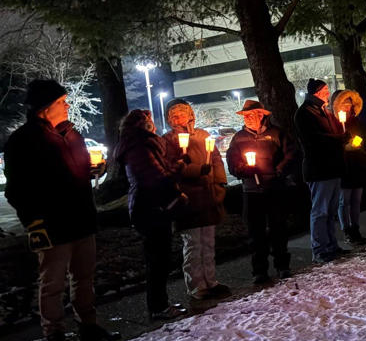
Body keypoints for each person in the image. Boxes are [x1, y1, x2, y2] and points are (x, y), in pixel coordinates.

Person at [4, 80, 120, 341]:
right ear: (45, 108)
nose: (68, 105)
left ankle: (88, 327)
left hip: (81, 219)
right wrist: (34, 222)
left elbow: (79, 172)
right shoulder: (22, 141)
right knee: (52, 283)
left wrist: (96, 170)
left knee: (83, 278)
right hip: (51, 225)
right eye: (63, 101)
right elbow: (16, 190)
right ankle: (54, 338)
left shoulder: (72, 135)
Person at [115, 109, 188, 321]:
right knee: (157, 259)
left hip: (153, 207)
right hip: (149, 209)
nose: (153, 125)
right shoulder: (139, 147)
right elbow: (158, 178)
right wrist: (181, 164)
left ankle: (161, 302)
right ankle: (157, 307)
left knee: (160, 258)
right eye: (148, 121)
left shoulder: (142, 144)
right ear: (141, 125)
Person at [162, 99, 229, 301]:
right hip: (189, 200)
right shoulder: (167, 141)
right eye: (173, 116)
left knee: (208, 242)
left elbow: (215, 159)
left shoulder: (203, 135)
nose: (178, 119)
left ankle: (211, 281)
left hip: (208, 197)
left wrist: (219, 184)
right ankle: (196, 286)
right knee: (193, 244)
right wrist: (197, 171)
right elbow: (172, 167)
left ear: (190, 115)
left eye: (181, 114)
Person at [228, 100, 297, 281]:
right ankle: (259, 271)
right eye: (246, 116)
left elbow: (292, 154)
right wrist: (244, 170)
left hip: (274, 189)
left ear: (262, 115)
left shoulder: (276, 134)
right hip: (251, 192)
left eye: (253, 115)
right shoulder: (238, 138)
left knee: (278, 229)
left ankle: (282, 266)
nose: (249, 119)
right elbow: (233, 163)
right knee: (255, 233)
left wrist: (279, 170)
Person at [294, 78, 346, 263]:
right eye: (324, 90)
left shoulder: (324, 111)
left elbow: (333, 134)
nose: (327, 93)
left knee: (330, 210)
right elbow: (313, 139)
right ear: (316, 92)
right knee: (321, 210)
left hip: (332, 167)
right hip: (319, 169)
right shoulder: (305, 113)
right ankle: (319, 249)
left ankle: (331, 245)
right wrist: (338, 138)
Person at [331, 89, 366, 245]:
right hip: (344, 166)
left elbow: (364, 139)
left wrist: (359, 145)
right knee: (344, 201)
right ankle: (346, 230)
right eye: (344, 103)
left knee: (356, 200)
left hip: (357, 165)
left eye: (349, 103)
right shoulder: (334, 122)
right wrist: (344, 147)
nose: (347, 107)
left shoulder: (356, 121)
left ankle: (356, 228)